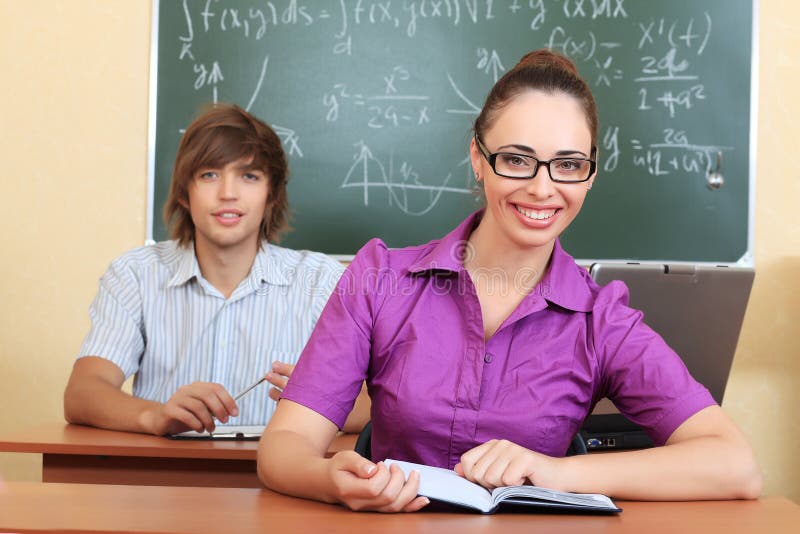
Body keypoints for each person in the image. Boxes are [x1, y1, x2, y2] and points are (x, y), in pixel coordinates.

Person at [256, 50, 761, 512]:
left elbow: (734, 464)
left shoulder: (601, 319)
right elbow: (284, 449)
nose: (543, 189)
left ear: (590, 176)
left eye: (568, 165)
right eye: (517, 160)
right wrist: (329, 479)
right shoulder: (380, 278)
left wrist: (555, 472)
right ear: (478, 158)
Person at [64, 104, 369, 436]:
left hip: (282, 478)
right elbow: (82, 394)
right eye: (209, 175)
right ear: (184, 192)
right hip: (160, 476)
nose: (228, 193)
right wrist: (158, 416)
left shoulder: (321, 280)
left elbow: (377, 406)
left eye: (249, 176)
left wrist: (319, 398)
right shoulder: (134, 275)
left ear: (272, 196)